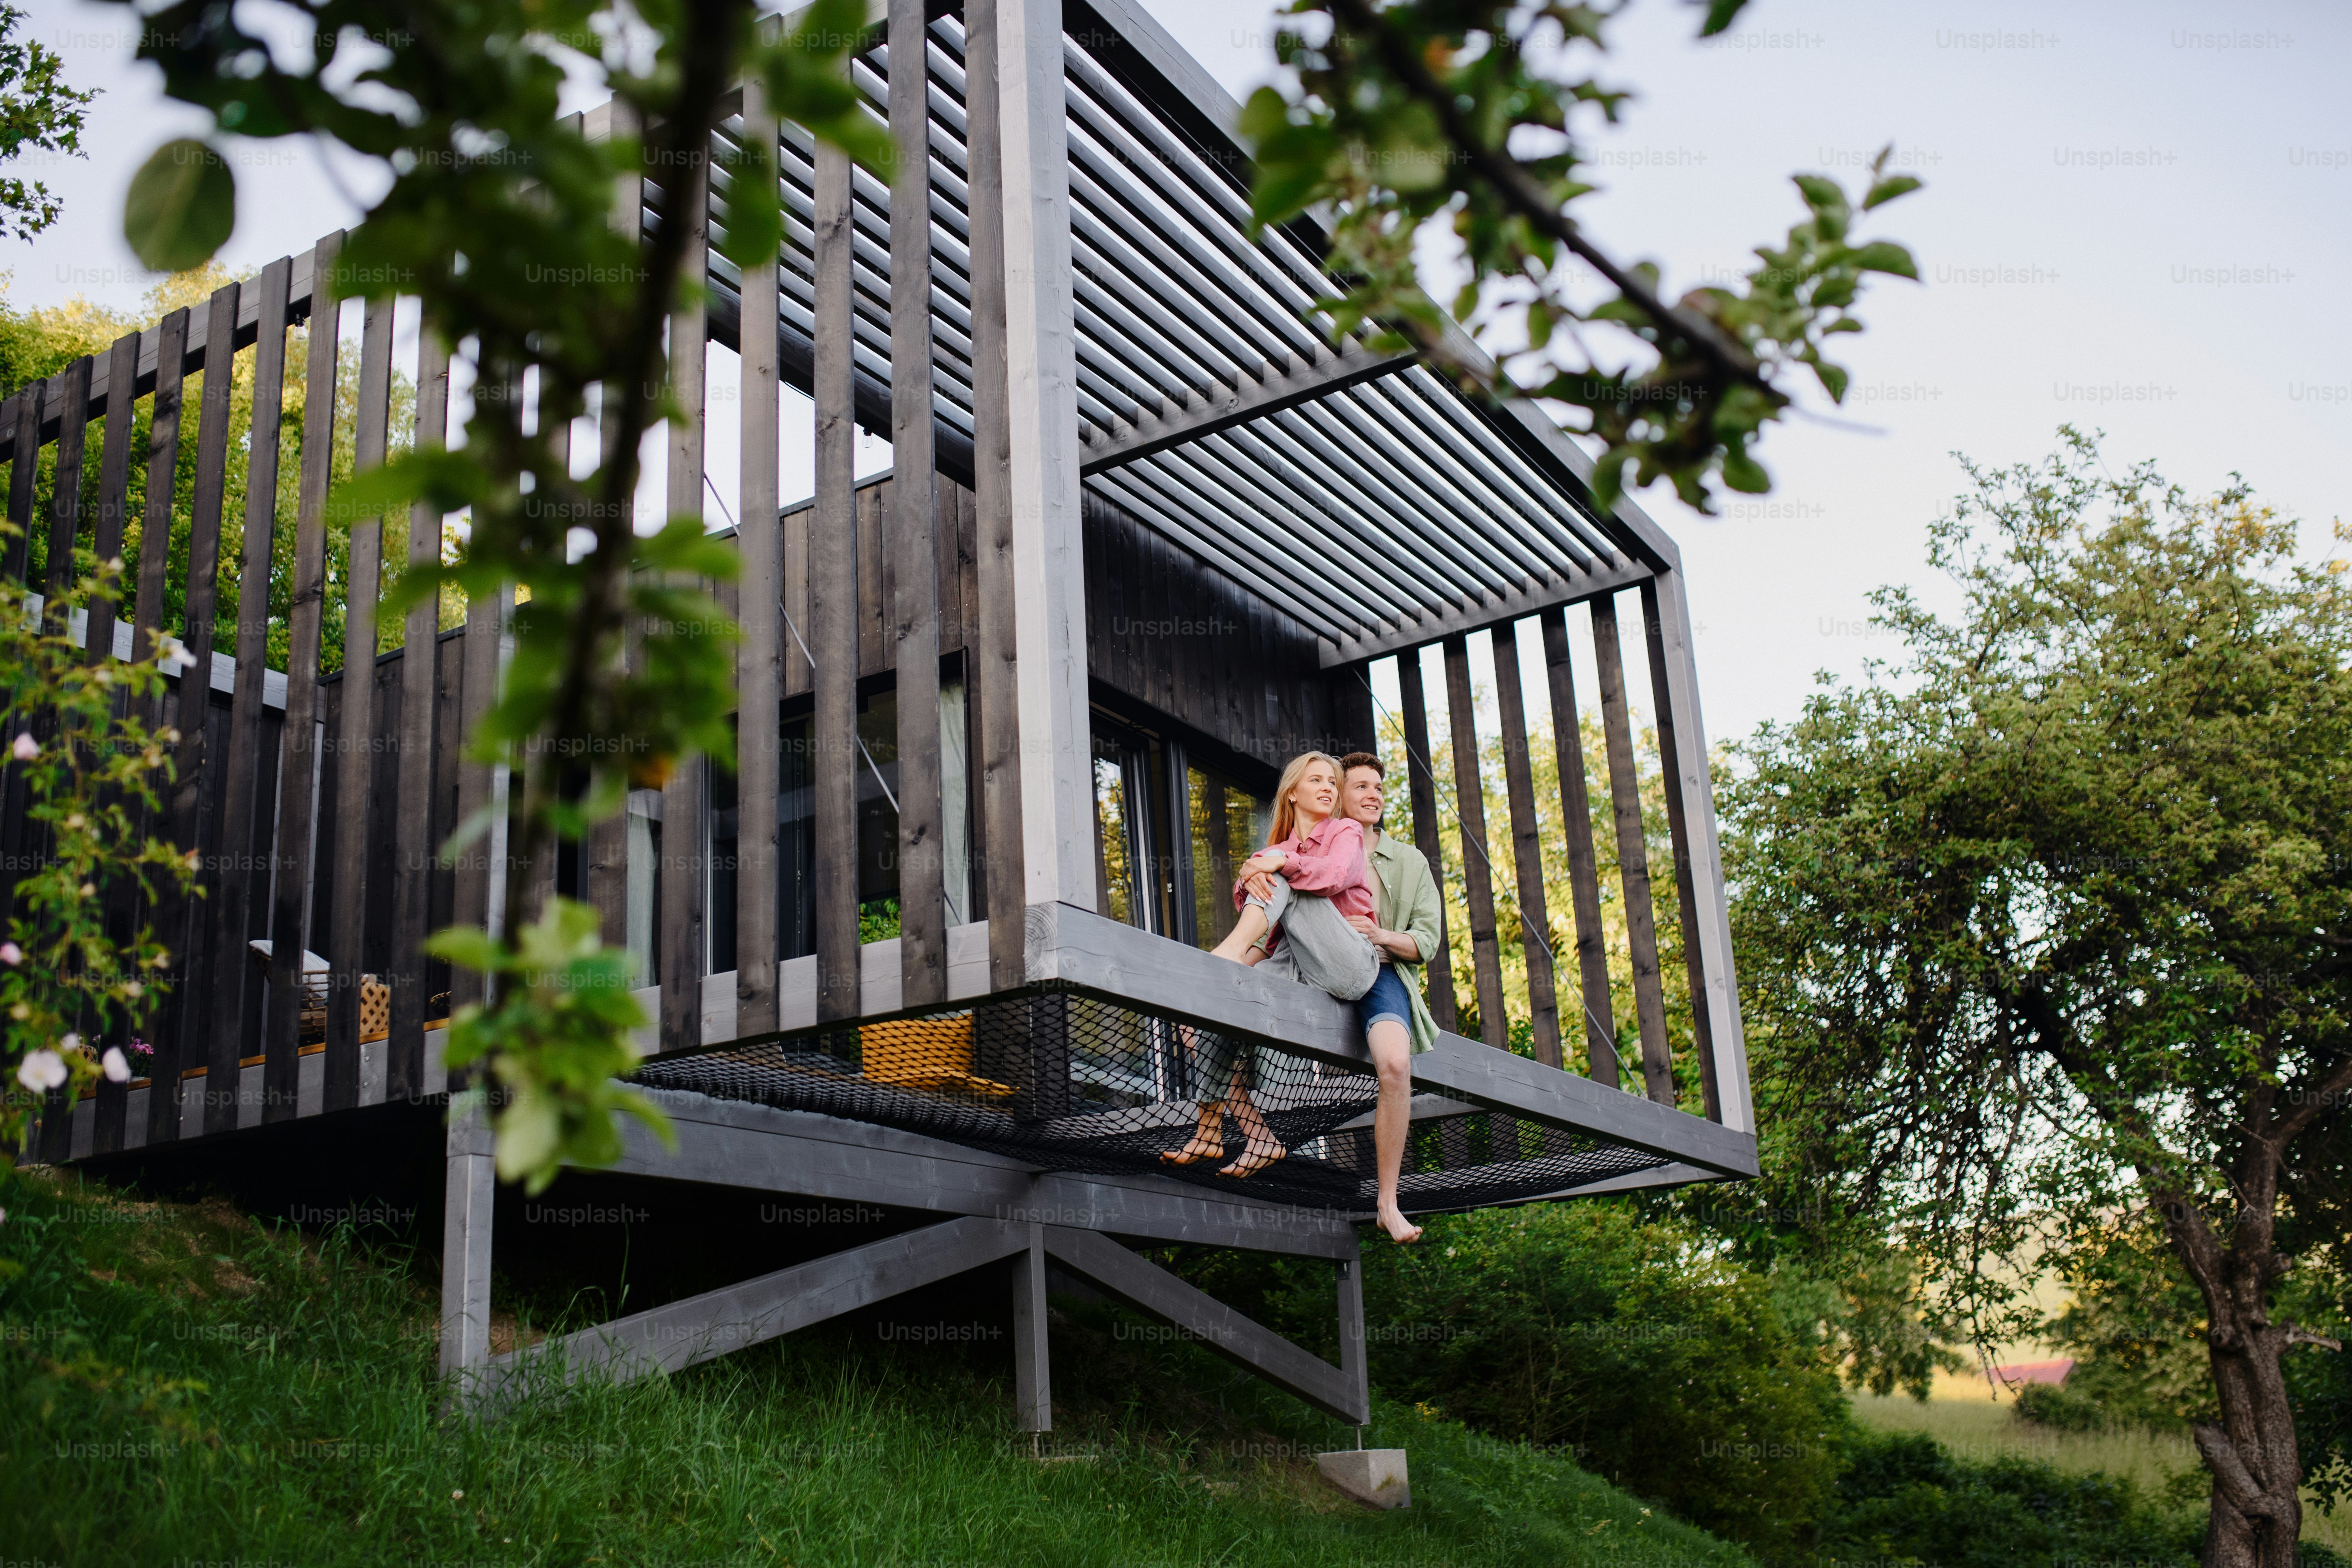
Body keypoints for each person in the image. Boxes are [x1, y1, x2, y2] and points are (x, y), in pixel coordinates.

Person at [1161, 751, 1378, 1178]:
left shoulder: (1346, 831)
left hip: (1349, 963)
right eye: (1316, 780)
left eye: (1332, 782)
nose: (1328, 788)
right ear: (1293, 793)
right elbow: (1251, 899)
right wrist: (1251, 871)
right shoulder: (1272, 851)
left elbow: (1334, 875)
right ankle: (1217, 1129)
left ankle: (1228, 955)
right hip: (1294, 969)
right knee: (1204, 1018)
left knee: (1284, 875)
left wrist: (1278, 864)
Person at [1336, 752, 1443, 1245]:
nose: (1373, 794)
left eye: (1378, 787)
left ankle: (1387, 1202)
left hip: (1380, 972)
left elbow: (1426, 942)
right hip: (1315, 972)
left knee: (1397, 1066)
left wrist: (1379, 935)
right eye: (1361, 786)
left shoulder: (1409, 860)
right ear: (1338, 794)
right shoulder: (1316, 845)